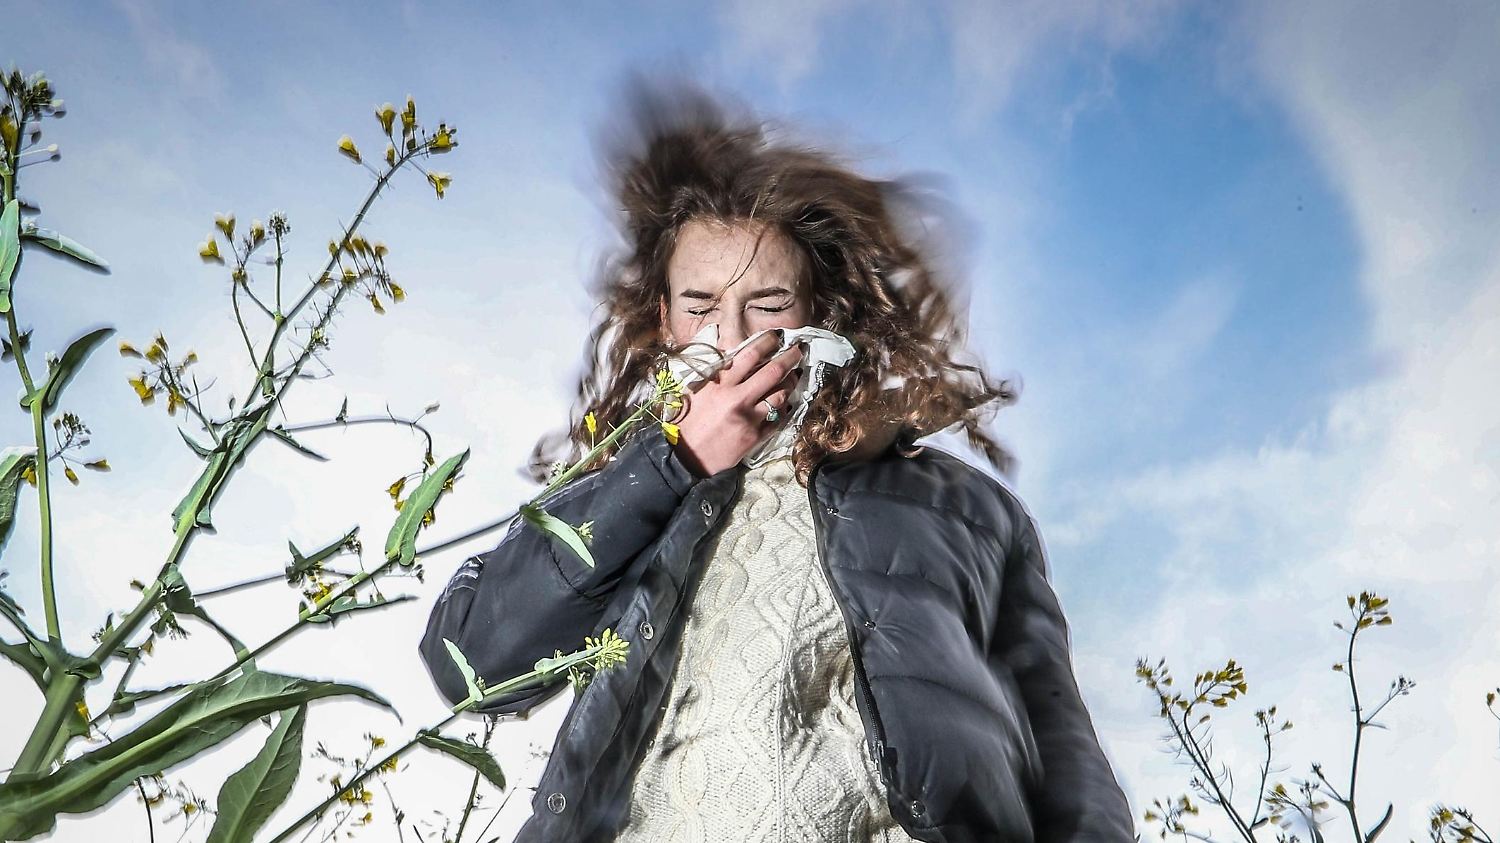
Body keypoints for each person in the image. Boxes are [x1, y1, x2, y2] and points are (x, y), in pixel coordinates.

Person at [419, 81, 1133, 843]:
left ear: (820, 312)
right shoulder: (623, 493)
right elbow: (470, 662)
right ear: (662, 321)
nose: (734, 336)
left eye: (767, 303)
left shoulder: (965, 509)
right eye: (699, 303)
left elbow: (1065, 754)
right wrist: (673, 463)